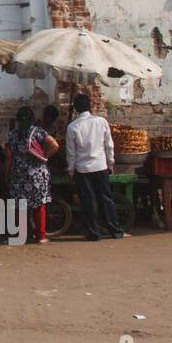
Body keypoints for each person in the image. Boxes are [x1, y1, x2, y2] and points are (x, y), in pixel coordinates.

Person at [65, 93, 129, 241]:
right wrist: (110, 163)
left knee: (88, 201)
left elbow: (71, 153)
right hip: (101, 165)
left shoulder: (72, 127)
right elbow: (109, 145)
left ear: (75, 109)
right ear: (90, 106)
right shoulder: (101, 122)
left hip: (83, 169)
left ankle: (94, 232)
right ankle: (115, 230)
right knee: (106, 199)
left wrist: (71, 170)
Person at [5, 106, 60, 243]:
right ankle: (40, 236)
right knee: (39, 205)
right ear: (32, 119)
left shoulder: (12, 135)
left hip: (19, 174)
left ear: (17, 120)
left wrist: (6, 174)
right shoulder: (39, 132)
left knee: (20, 206)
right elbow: (55, 145)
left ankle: (21, 235)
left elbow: (8, 158)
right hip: (37, 174)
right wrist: (44, 156)